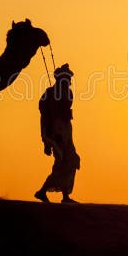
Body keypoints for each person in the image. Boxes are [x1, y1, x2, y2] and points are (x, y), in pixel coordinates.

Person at [35, 63, 81, 203]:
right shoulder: (50, 94)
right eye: (67, 79)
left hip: (67, 131)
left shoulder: (67, 93)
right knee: (61, 163)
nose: (69, 81)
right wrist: (47, 142)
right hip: (57, 132)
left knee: (72, 160)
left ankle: (65, 196)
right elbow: (46, 117)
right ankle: (42, 191)